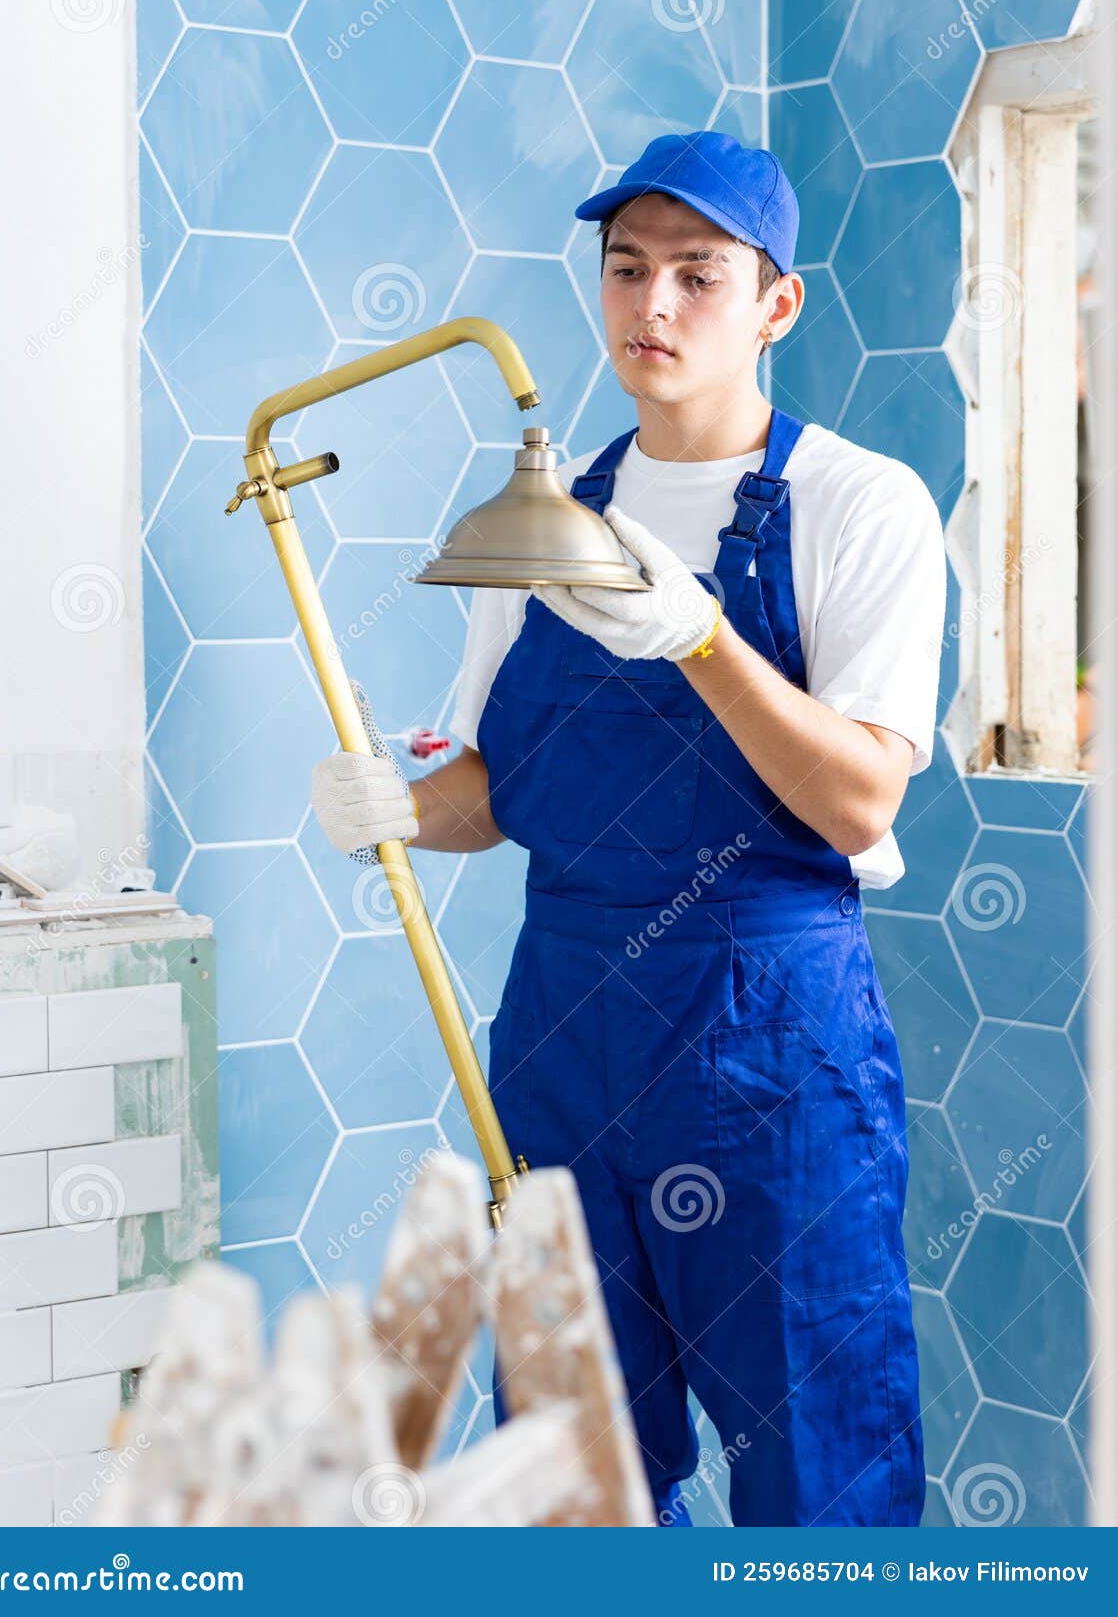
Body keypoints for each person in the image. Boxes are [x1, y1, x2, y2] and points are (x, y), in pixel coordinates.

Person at [312, 129, 946, 1527]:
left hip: (767, 1043)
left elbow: (859, 798)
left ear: (776, 304)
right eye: (625, 268)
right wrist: (398, 809)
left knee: (817, 1468)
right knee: (570, 1461)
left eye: (698, 276)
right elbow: (500, 788)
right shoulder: (542, 518)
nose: (652, 305)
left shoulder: (861, 505)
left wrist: (702, 638)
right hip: (564, 1034)